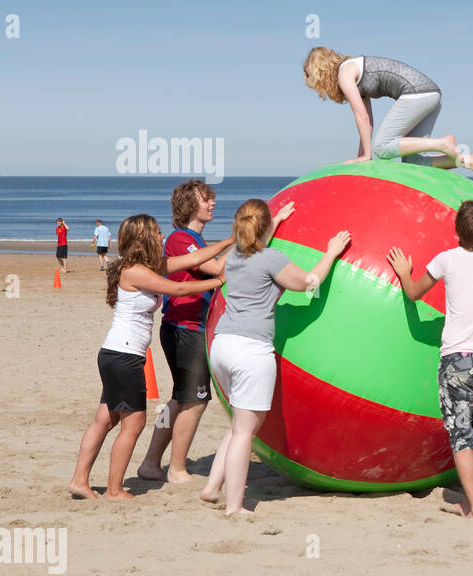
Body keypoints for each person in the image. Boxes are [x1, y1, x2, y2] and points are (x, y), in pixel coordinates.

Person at [201, 201, 349, 515]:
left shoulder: (235, 257)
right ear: (263, 227)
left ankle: (212, 487)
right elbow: (309, 283)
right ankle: (234, 507)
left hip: (222, 344)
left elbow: (259, 249)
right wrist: (332, 252)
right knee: (245, 432)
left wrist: (276, 221)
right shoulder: (271, 259)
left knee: (239, 424)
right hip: (251, 351)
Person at [68, 215, 231, 501]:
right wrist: (217, 281)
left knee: (104, 420)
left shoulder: (146, 267)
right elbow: (178, 289)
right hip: (124, 355)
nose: (162, 236)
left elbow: (193, 261)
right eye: (156, 233)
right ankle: (115, 490)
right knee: (134, 423)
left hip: (116, 353)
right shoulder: (135, 271)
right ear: (143, 237)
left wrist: (232, 240)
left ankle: (79, 481)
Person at [388, 201, 473, 518]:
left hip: (458, 360)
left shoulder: (446, 260)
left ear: (456, 231)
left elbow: (413, 293)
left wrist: (403, 274)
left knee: (461, 435)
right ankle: (471, 501)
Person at [138, 180, 227, 484]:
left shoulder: (197, 240)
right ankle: (176, 469)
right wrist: (252, 238)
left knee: (179, 398)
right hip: (185, 328)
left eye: (212, 199)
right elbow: (217, 271)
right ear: (190, 205)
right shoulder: (180, 238)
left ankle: (151, 463)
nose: (213, 203)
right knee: (196, 399)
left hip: (186, 327)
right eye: (206, 199)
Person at [302, 46, 473, 185]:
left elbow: (361, 116)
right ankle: (468, 160)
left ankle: (442, 144)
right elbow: (367, 122)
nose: (319, 87)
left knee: (382, 148)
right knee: (415, 162)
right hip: (430, 94)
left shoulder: (344, 73)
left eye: (315, 79)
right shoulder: (353, 71)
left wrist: (368, 155)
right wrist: (362, 156)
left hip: (418, 93)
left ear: (322, 70)